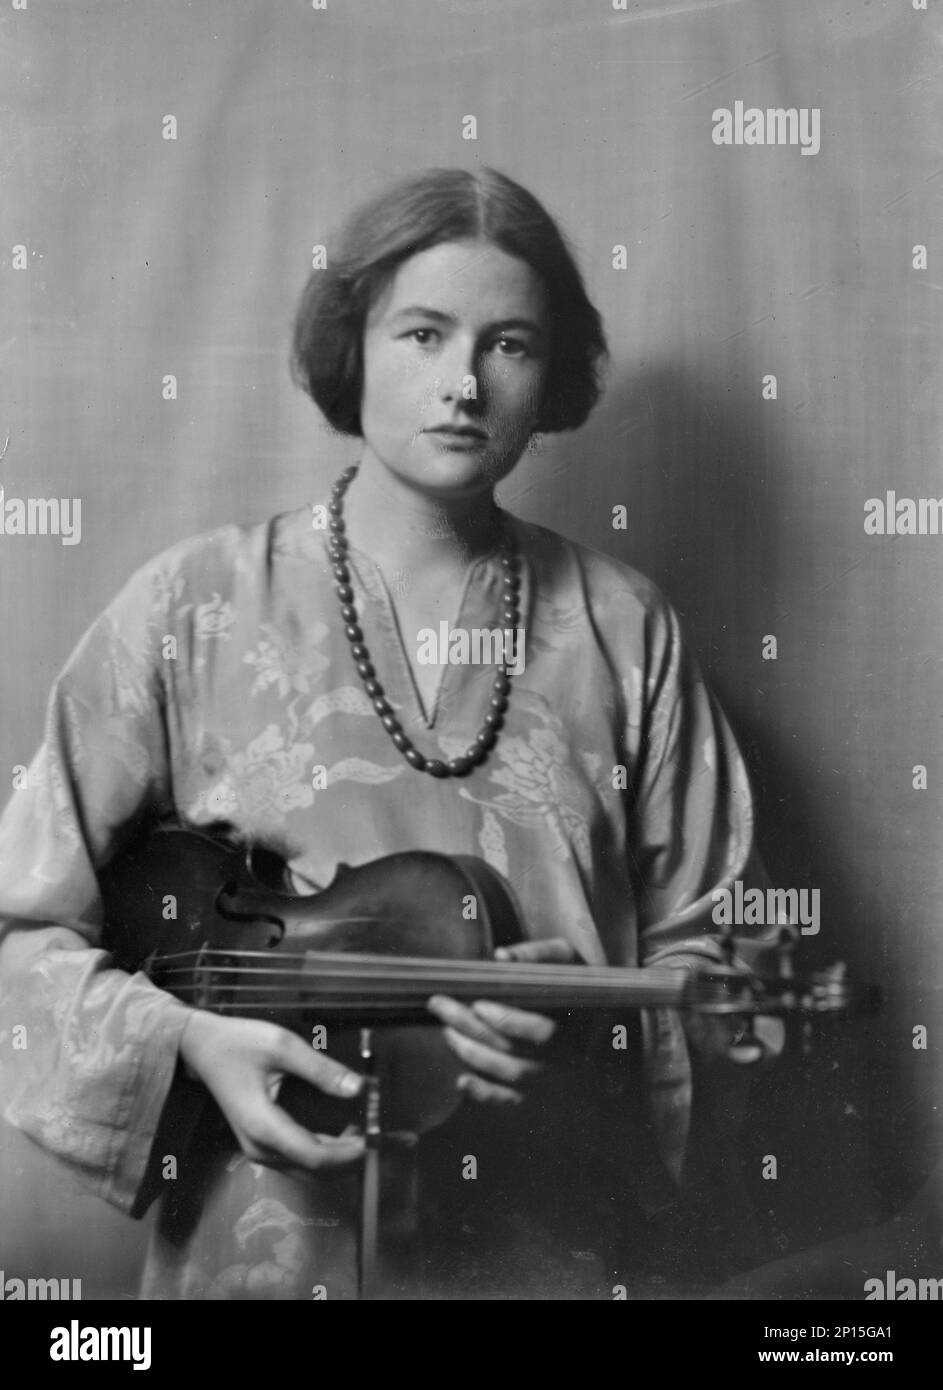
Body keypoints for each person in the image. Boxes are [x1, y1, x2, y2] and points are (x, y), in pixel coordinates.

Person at [0, 167, 772, 1300]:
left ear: (548, 373)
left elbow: (728, 953)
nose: (462, 383)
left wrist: (593, 1037)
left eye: (508, 343)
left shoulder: (624, 627)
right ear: (351, 347)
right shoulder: (190, 606)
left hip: (547, 1257)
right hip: (255, 1257)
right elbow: (17, 936)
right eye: (422, 333)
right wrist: (185, 1045)